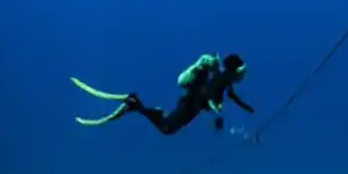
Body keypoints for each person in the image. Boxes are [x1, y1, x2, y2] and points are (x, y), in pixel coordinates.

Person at [71, 53, 254, 135]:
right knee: (167, 128)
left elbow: (229, 95)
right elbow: (207, 95)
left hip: (192, 107)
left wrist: (246, 107)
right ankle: (135, 104)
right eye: (241, 73)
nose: (242, 76)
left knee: (169, 126)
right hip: (189, 105)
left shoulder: (224, 80)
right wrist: (217, 112)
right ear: (232, 70)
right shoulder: (219, 79)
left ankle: (141, 107)